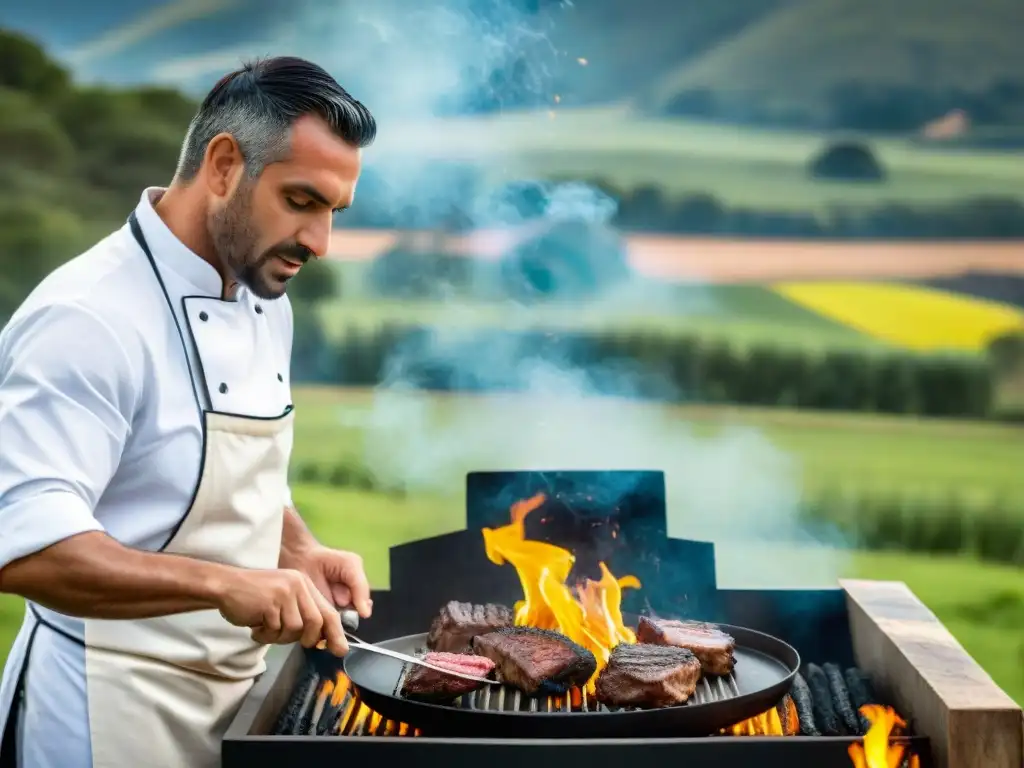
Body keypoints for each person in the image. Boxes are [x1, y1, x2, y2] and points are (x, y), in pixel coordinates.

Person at [0, 56, 377, 768]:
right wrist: (225, 583)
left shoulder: (267, 300)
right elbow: (24, 545)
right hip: (103, 710)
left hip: (236, 705)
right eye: (302, 201)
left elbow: (202, 473)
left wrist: (294, 548)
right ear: (226, 164)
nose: (321, 242)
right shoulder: (88, 317)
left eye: (334, 212)